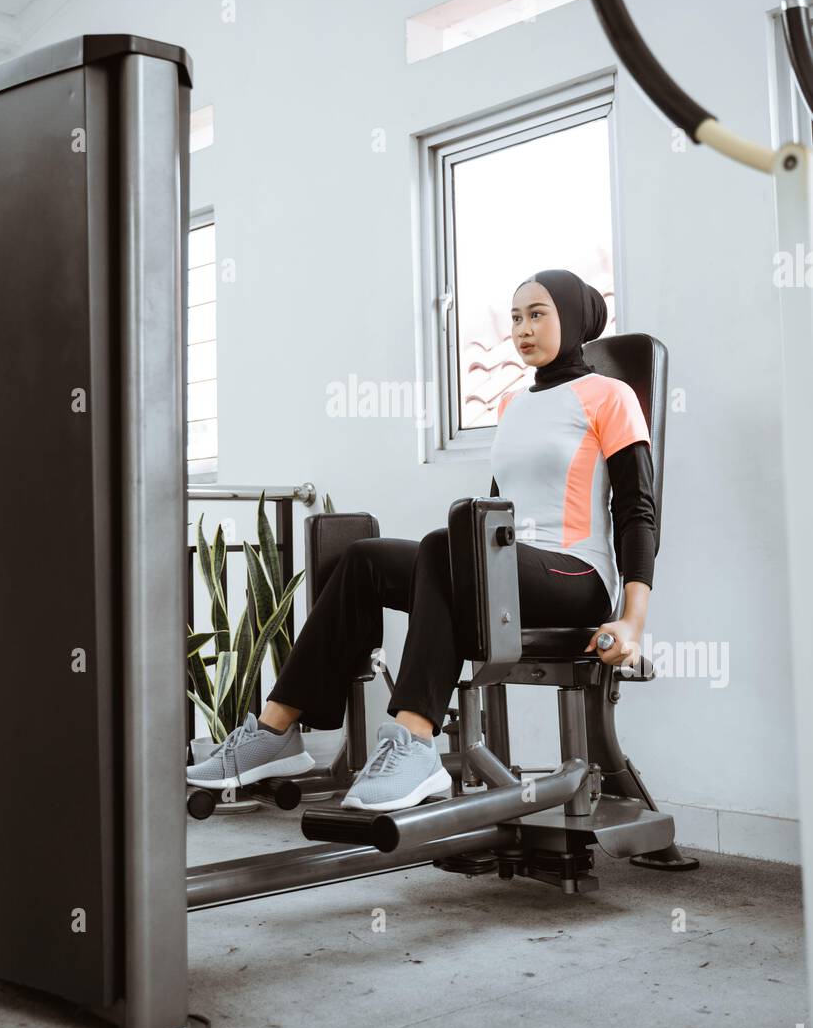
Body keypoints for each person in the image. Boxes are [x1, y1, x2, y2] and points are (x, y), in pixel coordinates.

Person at [186, 267, 657, 814]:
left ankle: (413, 741)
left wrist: (632, 618)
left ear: (573, 318)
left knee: (447, 546)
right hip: (507, 568)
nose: (522, 328)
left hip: (576, 575)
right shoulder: (515, 407)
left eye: (537, 314)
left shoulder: (609, 395)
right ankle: (277, 732)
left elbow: (635, 511)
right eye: (515, 317)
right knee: (364, 560)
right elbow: (494, 515)